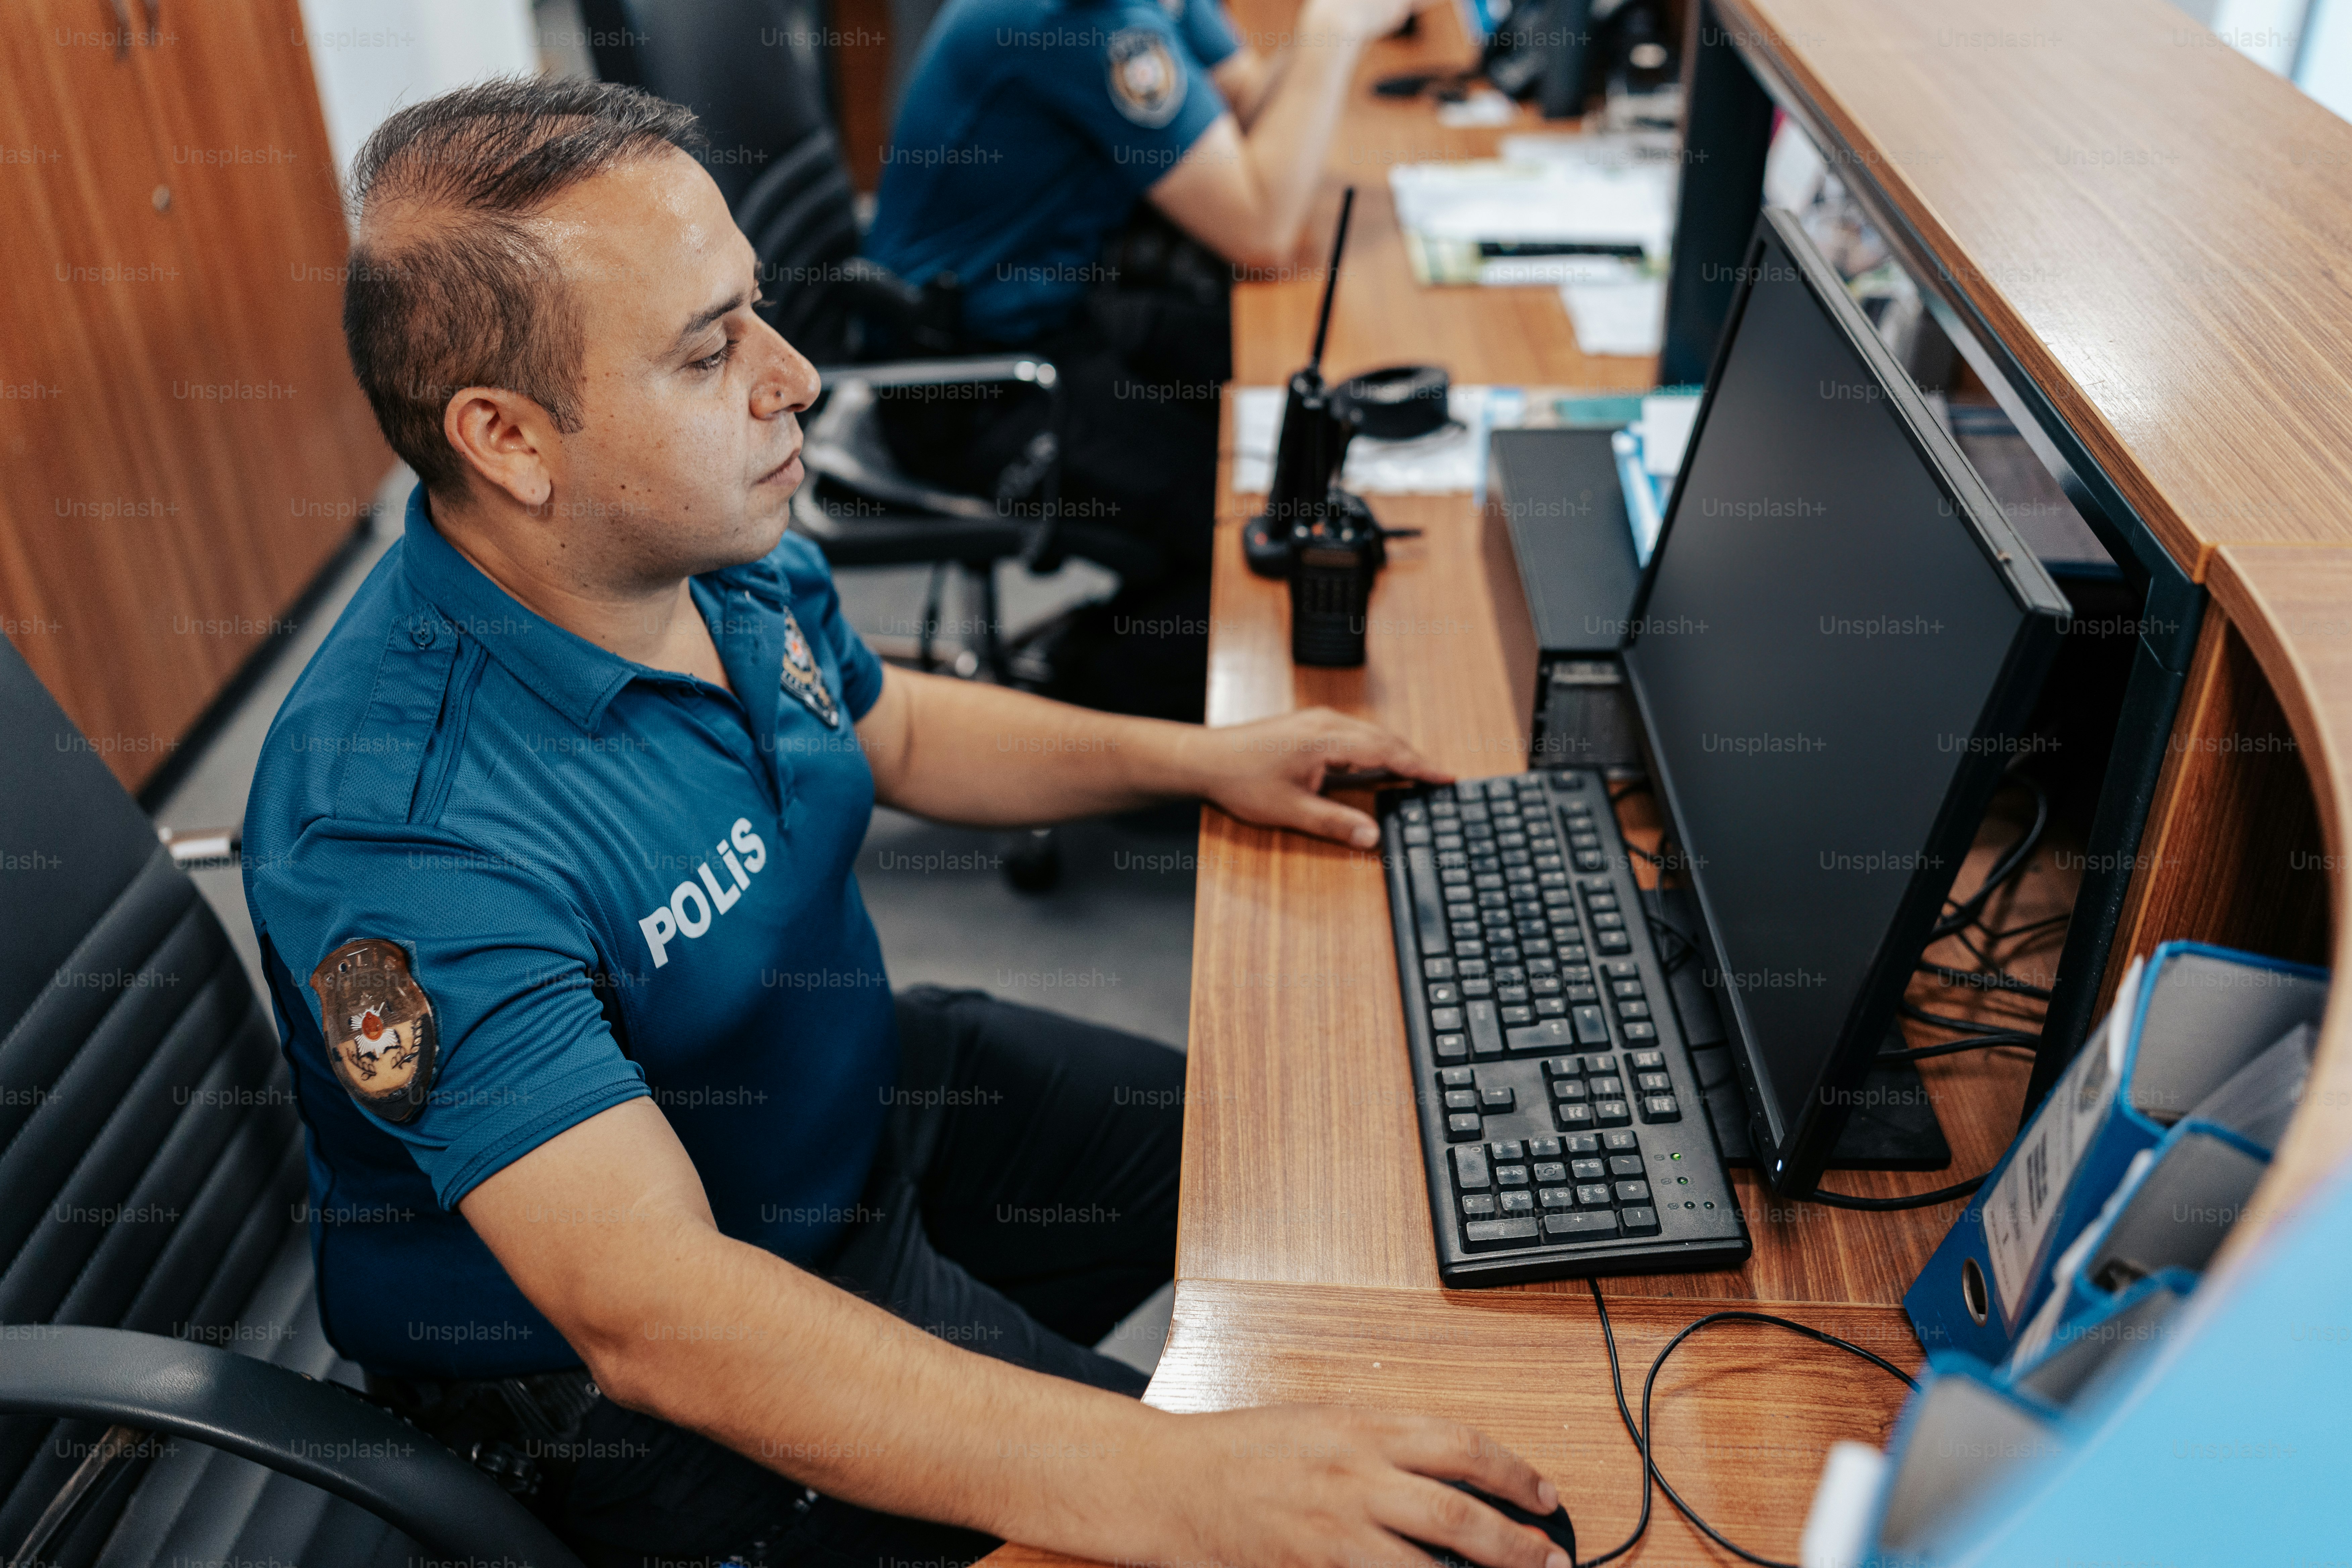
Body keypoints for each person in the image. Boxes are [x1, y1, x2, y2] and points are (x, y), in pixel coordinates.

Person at [245, 77, 1571, 1568]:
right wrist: (1174, 1479)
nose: (795, 376)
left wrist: (1205, 756)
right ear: (509, 439)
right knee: (1229, 1523)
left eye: (756, 309)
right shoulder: (400, 829)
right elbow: (656, 1316)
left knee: (1320, 1169)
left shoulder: (702, 538)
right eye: (708, 352)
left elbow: (901, 726)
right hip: (653, 1385)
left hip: (854, 1103)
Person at [860, 0, 1423, 721]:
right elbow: (1262, 229)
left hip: (1059, 317)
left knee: (1281, 410)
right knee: (1253, 520)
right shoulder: (1083, 21)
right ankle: (1072, 708)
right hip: (970, 387)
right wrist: (1333, 31)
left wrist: (1322, 27)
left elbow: (1245, 108)